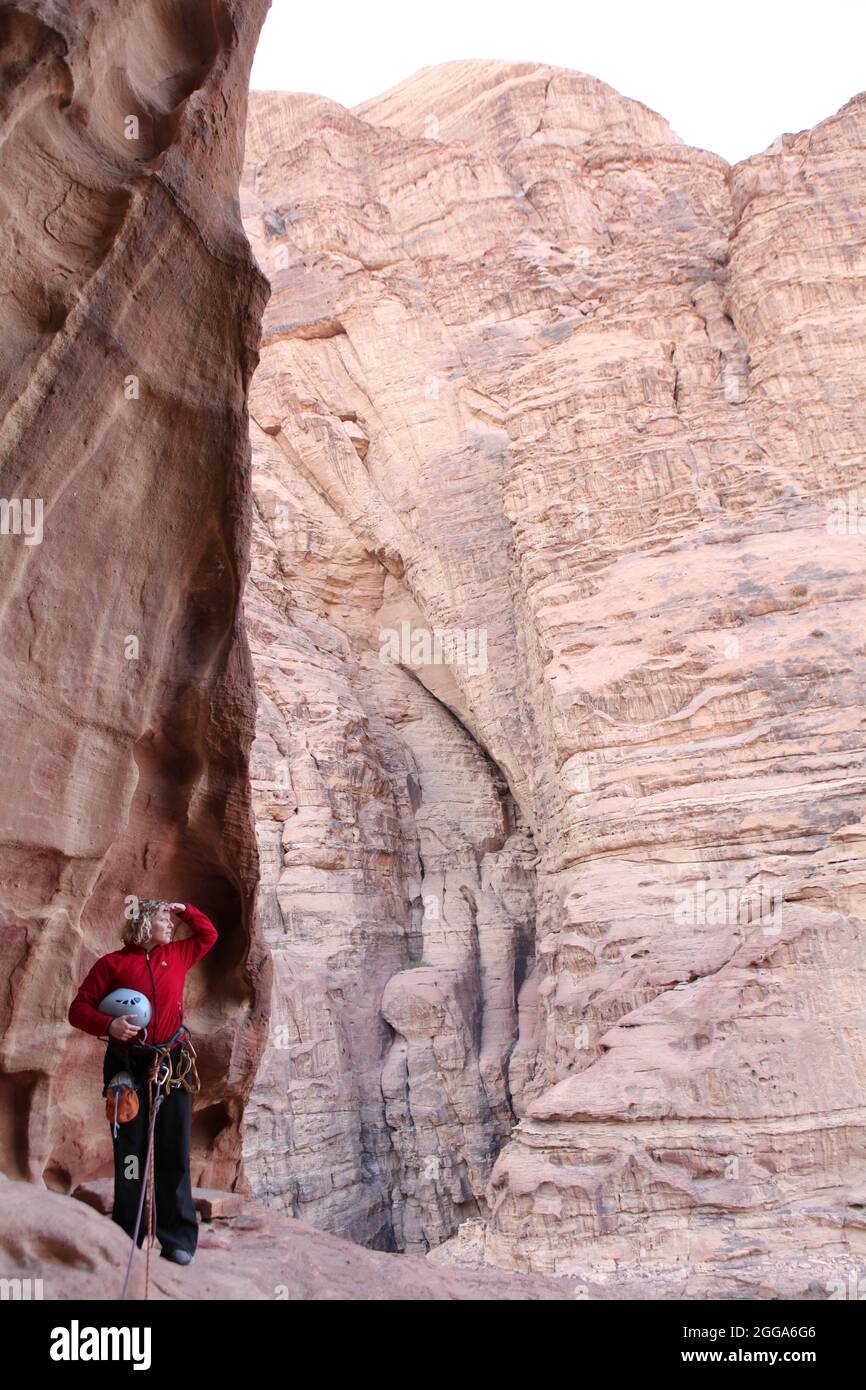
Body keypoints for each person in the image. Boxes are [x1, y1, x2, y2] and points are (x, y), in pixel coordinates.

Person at [68, 898, 218, 1265]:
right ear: (144, 925)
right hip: (126, 1067)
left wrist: (185, 910)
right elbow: (79, 1010)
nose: (171, 925)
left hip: (173, 1064)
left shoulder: (179, 955)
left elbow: (208, 934)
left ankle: (177, 1238)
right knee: (131, 1155)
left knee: (173, 1152)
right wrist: (109, 1025)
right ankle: (128, 1236)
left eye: (170, 919)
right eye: (164, 919)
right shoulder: (112, 965)